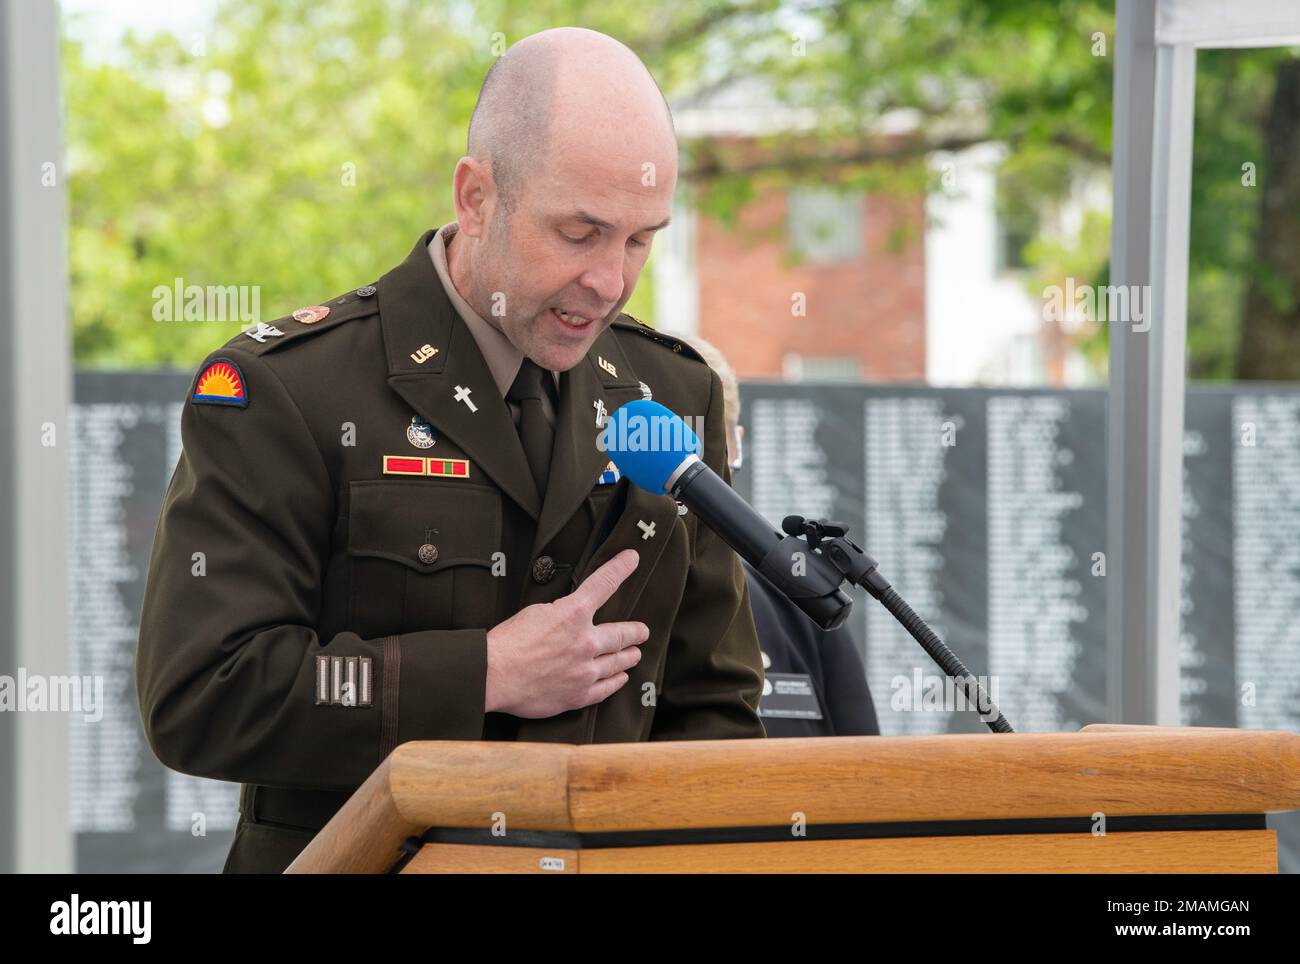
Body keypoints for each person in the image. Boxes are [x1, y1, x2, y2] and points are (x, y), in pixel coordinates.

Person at [135, 27, 766, 875]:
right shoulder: (289, 390)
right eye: (580, 232)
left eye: (639, 239)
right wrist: (484, 674)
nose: (611, 281)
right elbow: (204, 694)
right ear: (476, 198)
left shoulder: (670, 393)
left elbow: (712, 712)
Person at [684, 337, 879, 738]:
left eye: (704, 445)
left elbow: (865, 771)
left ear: (735, 445)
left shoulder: (797, 593)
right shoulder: (599, 593)